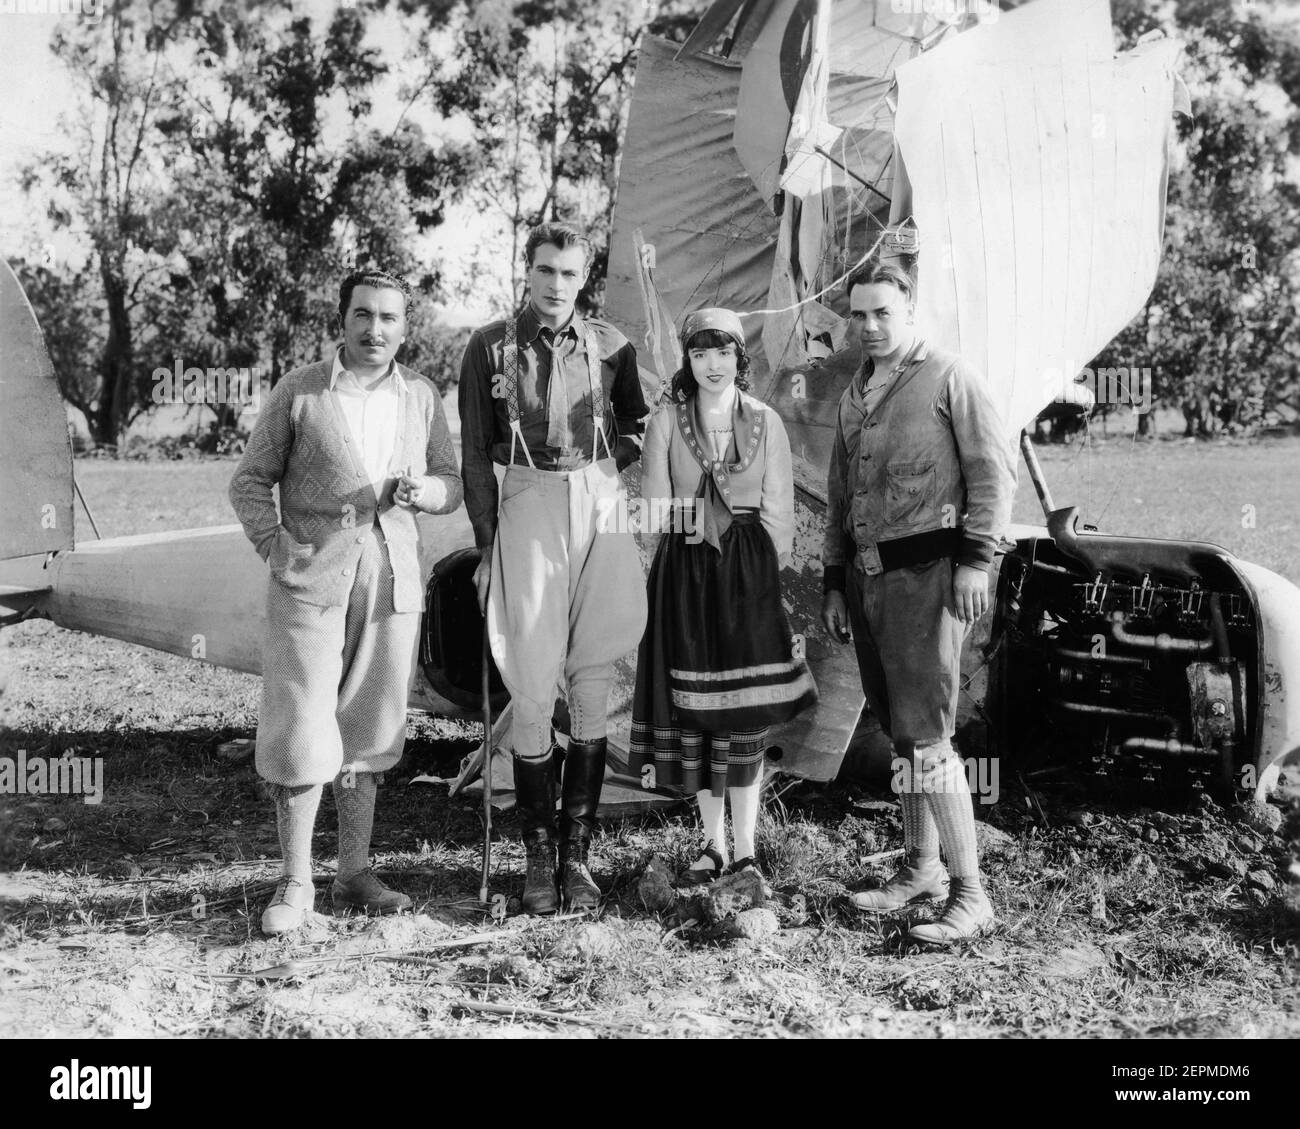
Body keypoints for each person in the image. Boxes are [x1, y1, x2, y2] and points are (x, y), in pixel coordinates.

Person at [230, 268, 463, 936]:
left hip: (391, 581)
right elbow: (249, 481)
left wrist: (429, 492)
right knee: (302, 724)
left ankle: (354, 872)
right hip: (310, 584)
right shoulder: (301, 391)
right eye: (363, 314)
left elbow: (450, 480)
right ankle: (296, 881)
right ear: (342, 320)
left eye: (389, 318)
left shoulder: (420, 395)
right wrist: (279, 549)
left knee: (369, 724)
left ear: (405, 328)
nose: (374, 329)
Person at [821, 261, 1016, 945]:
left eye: (883, 312)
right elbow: (839, 496)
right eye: (859, 314)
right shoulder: (854, 393)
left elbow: (993, 474)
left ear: (910, 309)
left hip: (930, 577)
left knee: (929, 736)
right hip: (868, 582)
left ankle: (971, 894)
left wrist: (976, 561)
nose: (870, 326)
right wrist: (835, 580)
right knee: (901, 730)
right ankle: (920, 868)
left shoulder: (950, 377)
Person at [457, 221, 649, 914]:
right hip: (527, 499)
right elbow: (474, 452)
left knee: (593, 673)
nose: (556, 284)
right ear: (528, 270)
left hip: (597, 500)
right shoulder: (489, 346)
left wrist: (604, 470)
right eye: (545, 270)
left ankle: (579, 859)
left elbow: (636, 423)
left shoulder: (612, 344)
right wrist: (487, 545)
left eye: (569, 273)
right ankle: (538, 860)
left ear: (584, 277)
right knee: (533, 681)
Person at [630, 308, 817, 882]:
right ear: (687, 360)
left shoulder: (766, 421)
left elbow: (779, 510)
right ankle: (712, 845)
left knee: (744, 712)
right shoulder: (667, 421)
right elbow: (653, 512)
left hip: (748, 575)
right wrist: (695, 527)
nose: (713, 364)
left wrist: (756, 576)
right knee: (697, 712)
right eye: (700, 353)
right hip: (685, 570)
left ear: (740, 357)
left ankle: (747, 851)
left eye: (724, 352)